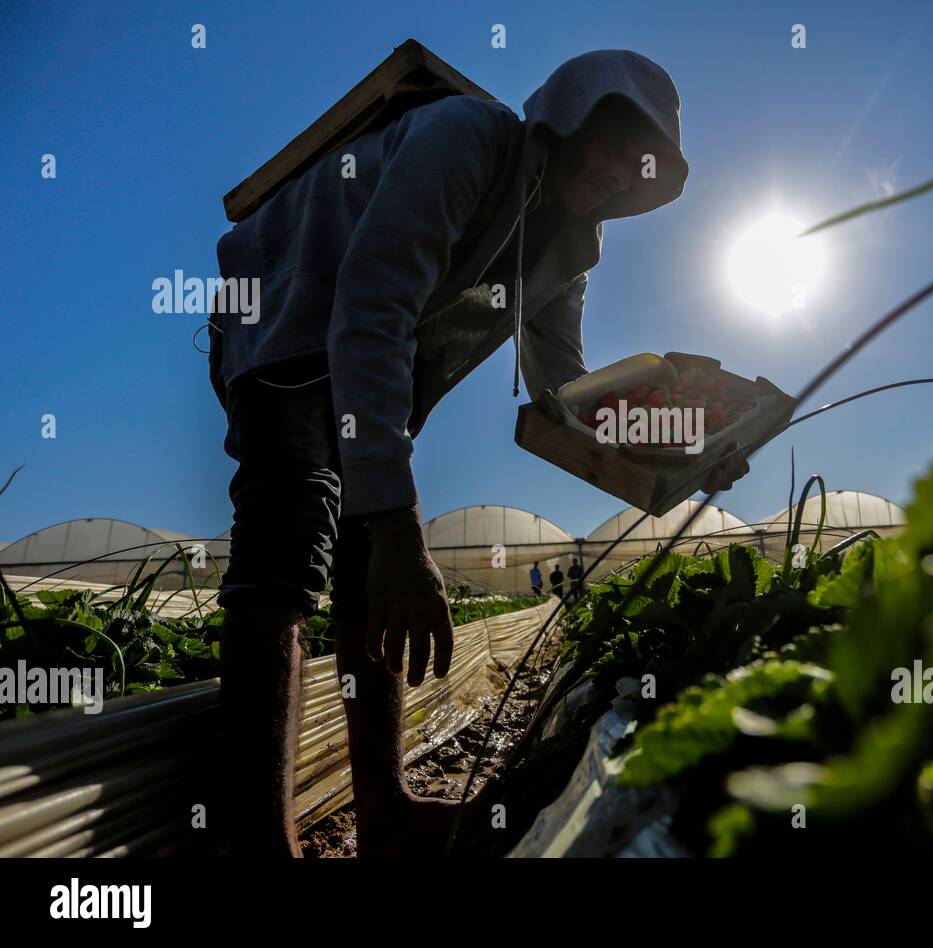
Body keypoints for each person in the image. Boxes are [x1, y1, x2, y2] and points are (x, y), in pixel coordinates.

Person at [207, 49, 750, 858]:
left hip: (375, 366)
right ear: (564, 119)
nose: (615, 172)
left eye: (638, 166)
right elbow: (369, 309)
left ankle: (384, 808)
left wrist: (681, 453)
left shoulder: (573, 247)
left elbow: (564, 393)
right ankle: (252, 841)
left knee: (367, 579)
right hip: (287, 318)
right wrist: (398, 529)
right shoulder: (465, 140)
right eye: (610, 141)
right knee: (290, 537)